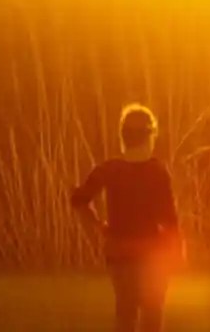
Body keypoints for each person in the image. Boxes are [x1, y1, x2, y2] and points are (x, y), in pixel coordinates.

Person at [71, 103, 182, 332]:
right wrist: (177, 251)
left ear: (123, 136)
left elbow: (79, 200)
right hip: (153, 252)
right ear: (150, 135)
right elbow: (170, 219)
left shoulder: (109, 169)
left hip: (119, 251)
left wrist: (97, 226)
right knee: (152, 312)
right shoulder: (158, 172)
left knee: (125, 311)